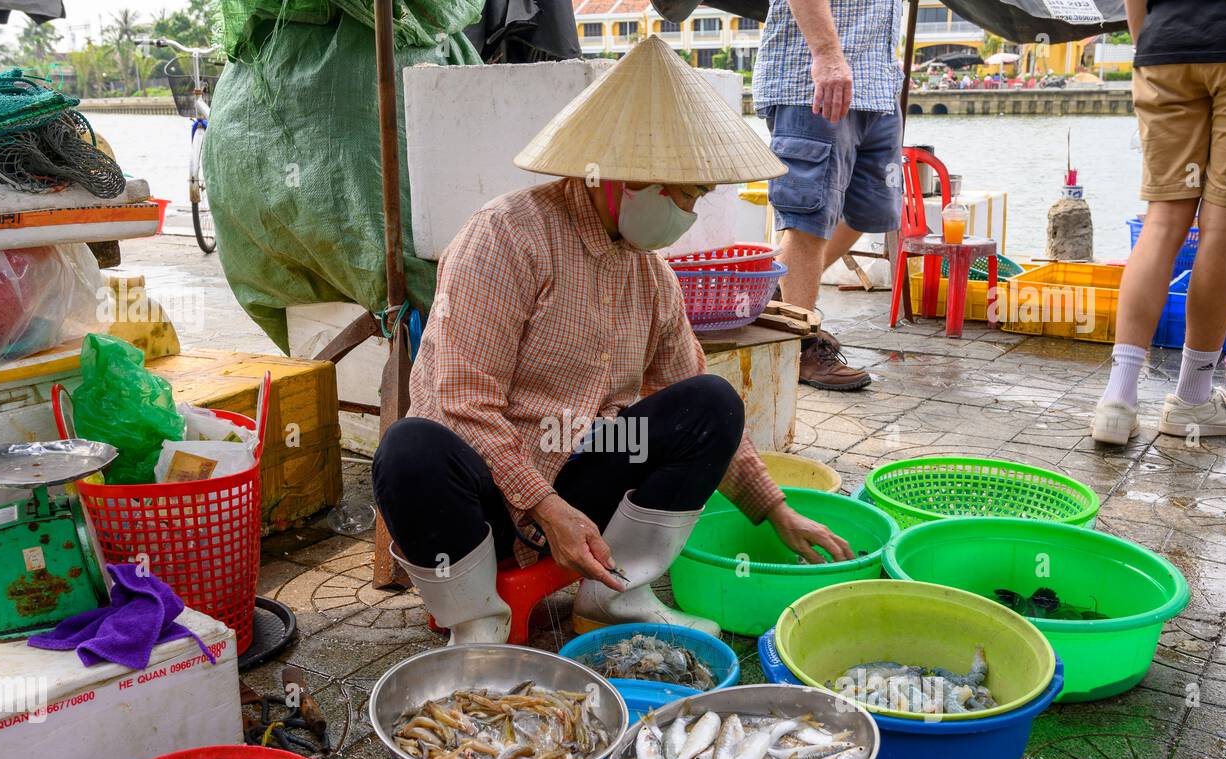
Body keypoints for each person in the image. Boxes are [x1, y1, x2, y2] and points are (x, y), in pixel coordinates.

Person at [371, 37, 854, 646]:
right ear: (622, 177)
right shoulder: (507, 237)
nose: (687, 211)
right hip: (486, 493)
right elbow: (462, 403)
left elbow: (691, 392)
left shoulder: (651, 277)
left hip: (576, 468)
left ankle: (617, 592)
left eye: (696, 196)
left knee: (712, 404)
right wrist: (545, 507)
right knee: (408, 447)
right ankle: (475, 621)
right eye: (682, 193)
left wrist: (775, 507)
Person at [1091, 0, 1226, 444]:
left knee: (1162, 219)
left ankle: (1118, 401)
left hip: (1166, 47)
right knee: (1225, 225)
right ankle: (1193, 399)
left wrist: (1151, 44)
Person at [753, 0, 906, 391]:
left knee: (873, 212)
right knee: (809, 218)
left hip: (878, 86)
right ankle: (798, 346)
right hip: (816, 86)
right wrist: (827, 56)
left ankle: (778, 295)